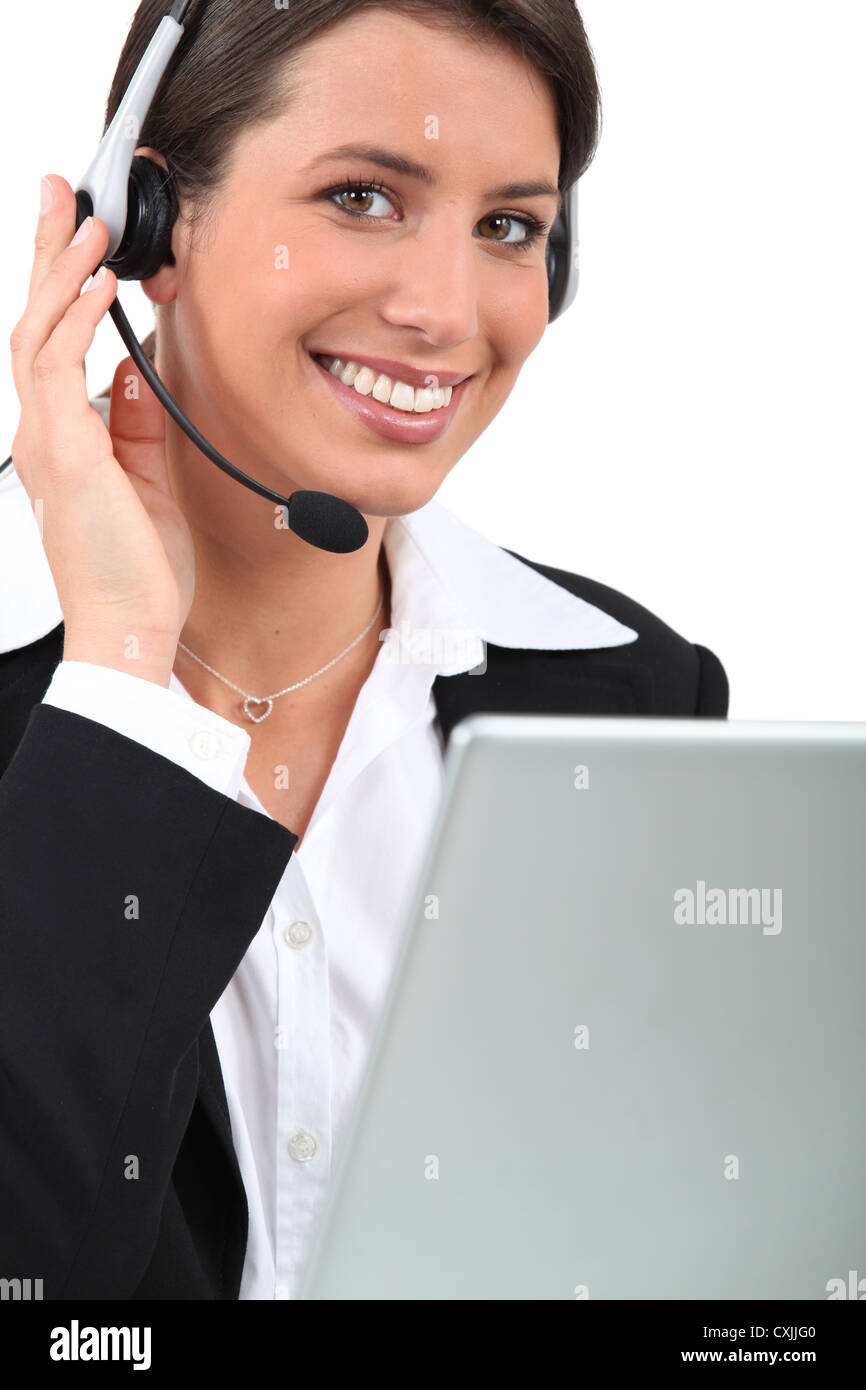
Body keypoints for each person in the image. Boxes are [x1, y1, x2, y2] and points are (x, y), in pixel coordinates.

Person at [0, 0, 728, 1300]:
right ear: (147, 224)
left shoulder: (636, 703)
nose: (446, 311)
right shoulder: (35, 727)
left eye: (508, 226)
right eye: (362, 198)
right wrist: (118, 671)